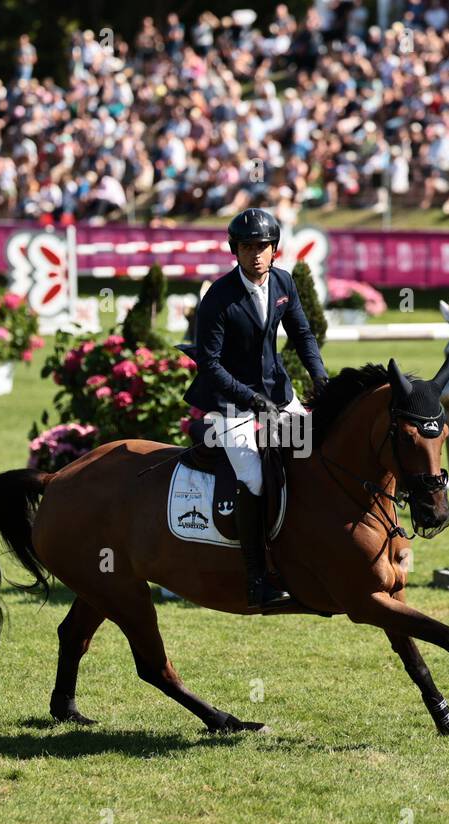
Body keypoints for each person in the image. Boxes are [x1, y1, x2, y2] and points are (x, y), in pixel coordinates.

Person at [182, 208, 329, 610]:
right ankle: (256, 577)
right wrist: (252, 401)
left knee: (311, 459)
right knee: (255, 479)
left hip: (279, 394)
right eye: (247, 247)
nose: (256, 254)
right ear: (235, 251)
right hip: (234, 405)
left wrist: (320, 378)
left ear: (274, 249)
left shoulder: (283, 282)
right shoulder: (218, 297)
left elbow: (301, 333)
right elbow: (210, 365)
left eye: (262, 246)